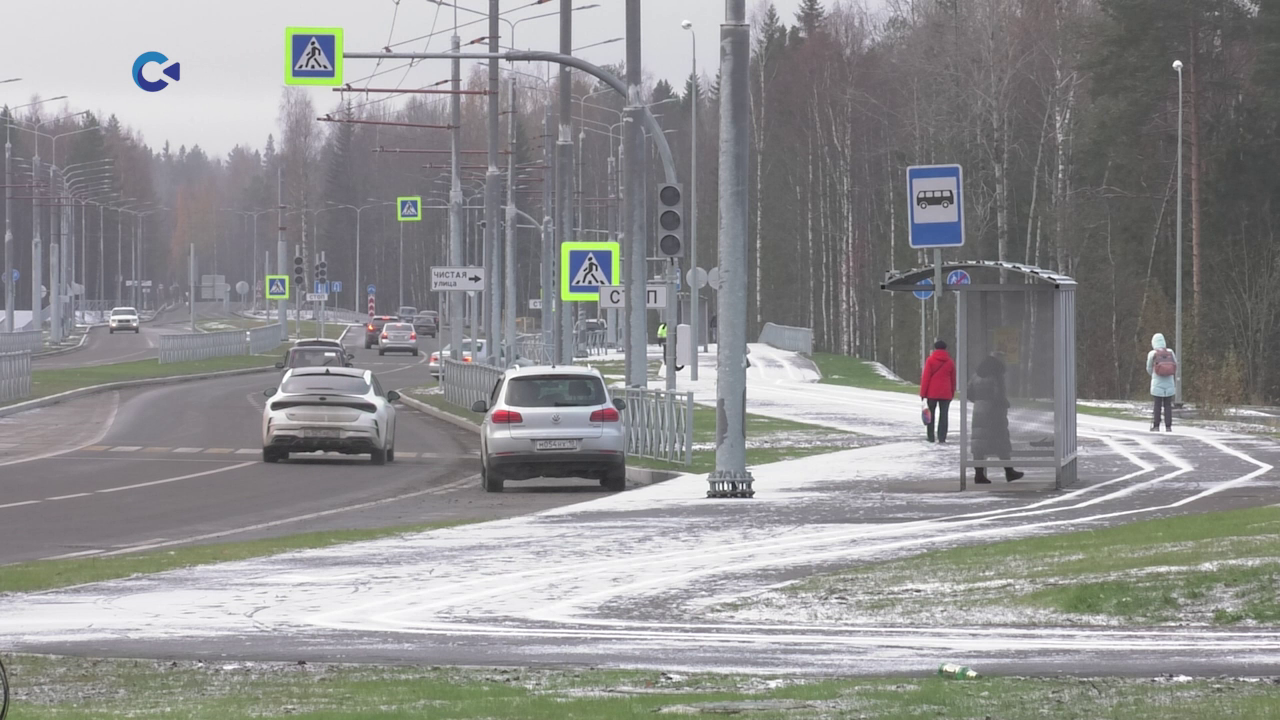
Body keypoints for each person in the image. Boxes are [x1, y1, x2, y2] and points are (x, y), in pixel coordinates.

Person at [968, 354, 1024, 484]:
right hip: (994, 413)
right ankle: (1009, 471)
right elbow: (998, 396)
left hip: (978, 412)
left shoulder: (975, 376)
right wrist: (1005, 404)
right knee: (1001, 441)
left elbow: (969, 393)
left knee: (979, 444)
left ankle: (979, 474)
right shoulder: (996, 377)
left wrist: (979, 402)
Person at [920, 339, 956, 443]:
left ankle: (931, 437)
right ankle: (942, 437)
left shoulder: (930, 360)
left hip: (932, 393)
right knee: (944, 416)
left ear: (935, 348)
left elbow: (926, 378)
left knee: (930, 415)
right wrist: (951, 392)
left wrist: (923, 394)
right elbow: (953, 380)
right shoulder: (950, 362)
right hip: (946, 393)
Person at [1146, 332, 1178, 432]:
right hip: (1169, 383)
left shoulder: (1152, 353)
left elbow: (1149, 368)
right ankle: (1168, 426)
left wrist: (1154, 375)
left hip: (1157, 383)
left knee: (1157, 405)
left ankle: (1156, 426)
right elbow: (1175, 365)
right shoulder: (1170, 352)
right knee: (1168, 405)